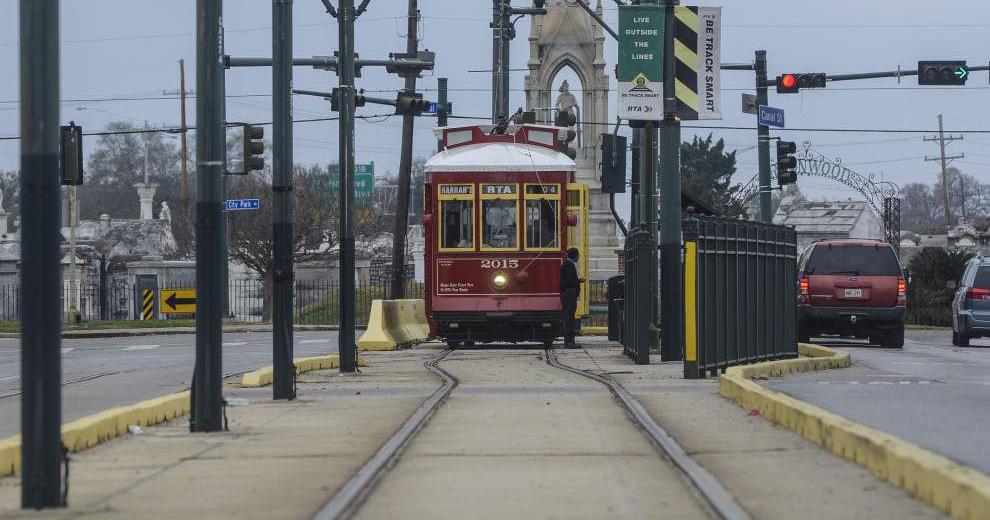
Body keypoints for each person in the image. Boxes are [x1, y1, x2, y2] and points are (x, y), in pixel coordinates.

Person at [559, 247, 583, 348]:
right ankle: (569, 342)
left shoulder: (566, 264)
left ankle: (568, 341)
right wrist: (578, 281)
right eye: (578, 256)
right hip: (570, 294)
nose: (578, 258)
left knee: (568, 317)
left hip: (566, 293)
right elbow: (569, 281)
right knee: (569, 318)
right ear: (575, 256)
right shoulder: (569, 265)